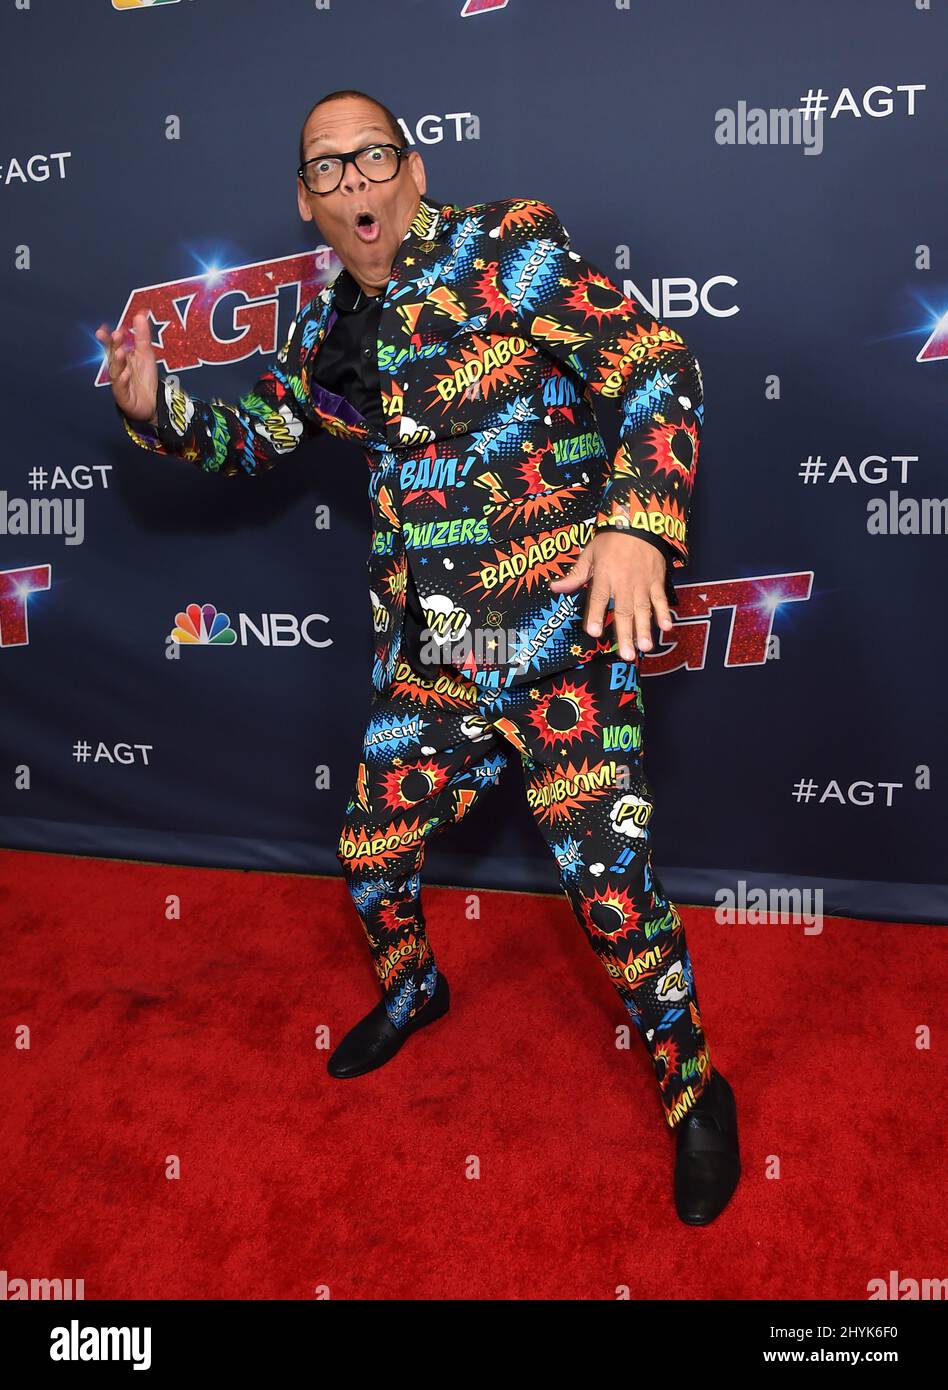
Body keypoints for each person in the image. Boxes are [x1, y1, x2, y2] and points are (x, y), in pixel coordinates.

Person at [96, 89, 740, 1224]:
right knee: (369, 849)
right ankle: (416, 991)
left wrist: (638, 522)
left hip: (563, 654)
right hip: (437, 660)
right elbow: (261, 438)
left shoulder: (507, 252)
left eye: (371, 158)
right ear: (305, 199)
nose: (353, 186)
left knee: (611, 900)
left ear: (413, 169)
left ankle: (694, 1088)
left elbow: (657, 364)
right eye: (326, 171)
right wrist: (159, 407)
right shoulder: (316, 334)